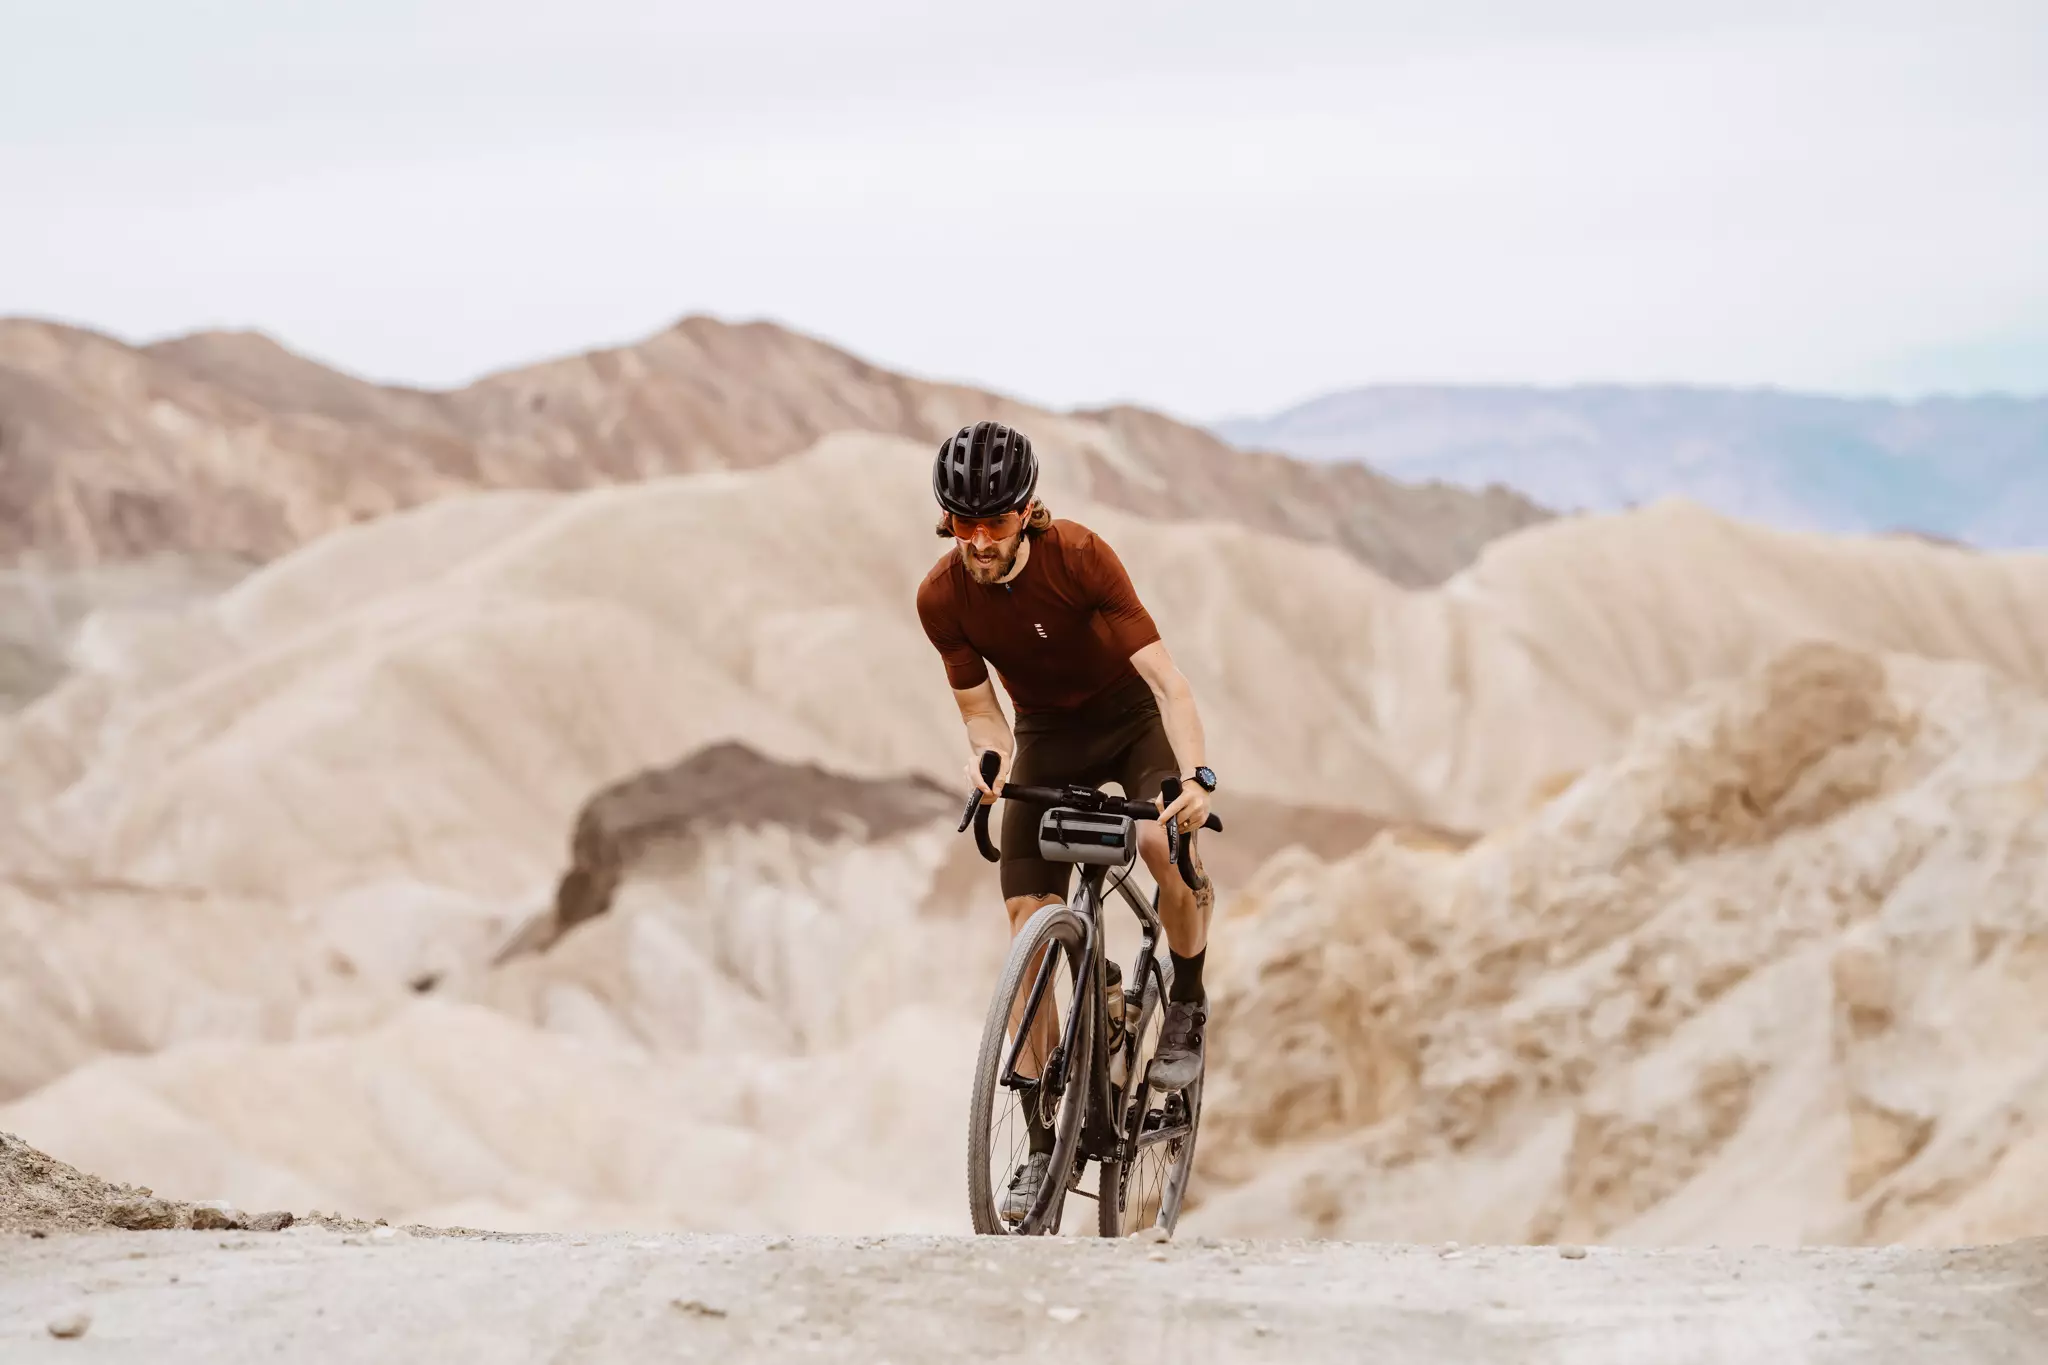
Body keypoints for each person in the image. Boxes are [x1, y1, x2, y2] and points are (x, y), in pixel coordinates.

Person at [915, 419, 1219, 1221]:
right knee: (1027, 917)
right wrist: (988, 761)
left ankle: (1185, 998)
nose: (980, 541)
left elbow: (1167, 680)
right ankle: (1041, 1143)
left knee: (1163, 841)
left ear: (1027, 511)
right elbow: (984, 716)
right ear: (949, 519)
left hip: (1127, 722)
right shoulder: (941, 598)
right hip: (1044, 734)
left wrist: (1194, 778)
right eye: (965, 523)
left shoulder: (1079, 556)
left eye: (998, 521)